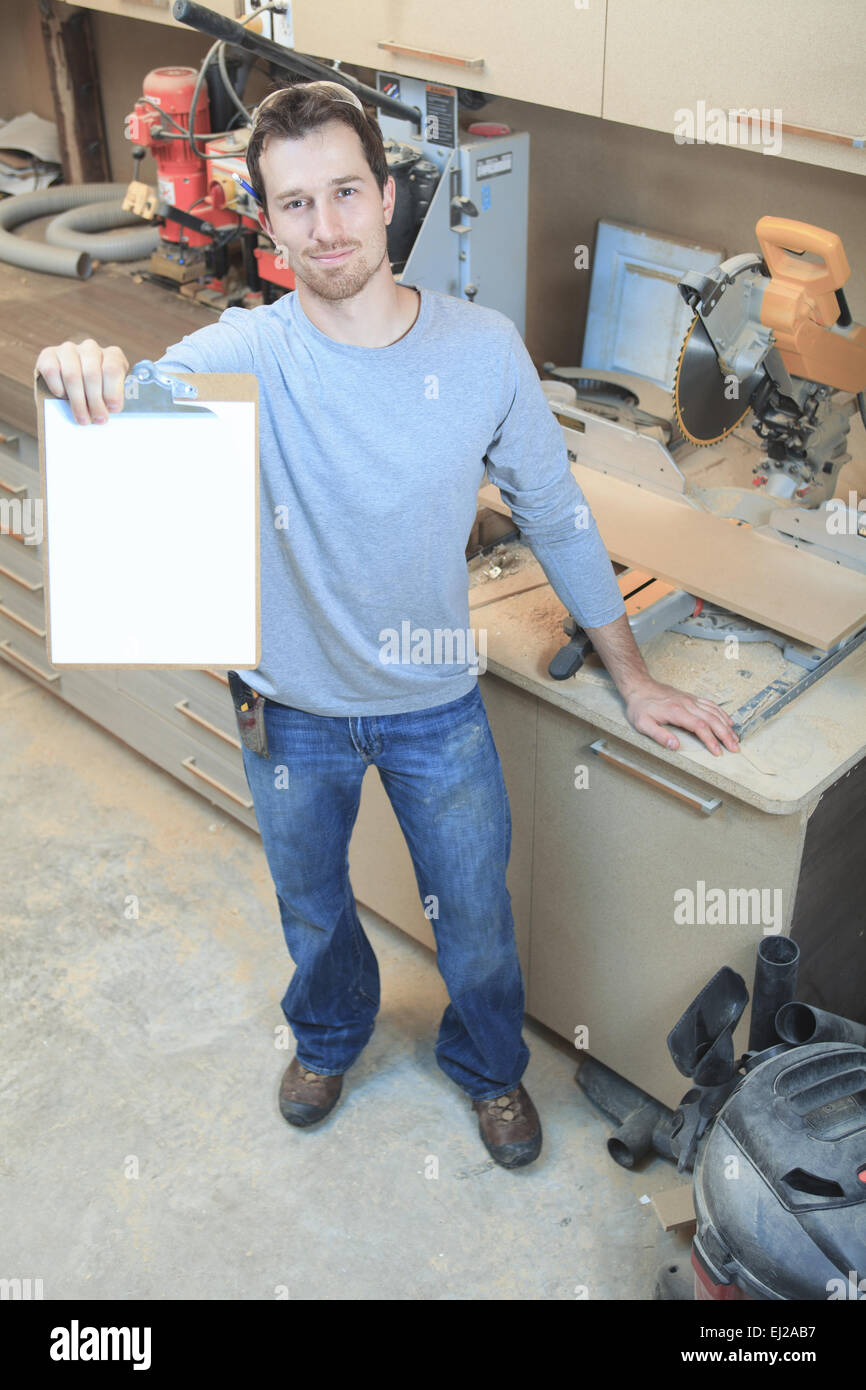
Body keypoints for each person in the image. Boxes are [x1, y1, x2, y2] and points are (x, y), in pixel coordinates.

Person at [34, 81, 739, 1171]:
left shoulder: (481, 352)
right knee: (313, 909)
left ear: (386, 196)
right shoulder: (247, 351)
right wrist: (71, 370)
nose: (326, 227)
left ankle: (487, 1067)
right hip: (290, 709)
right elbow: (126, 398)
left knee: (473, 918)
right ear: (264, 223)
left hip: (433, 707)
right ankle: (327, 1037)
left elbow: (553, 513)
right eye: (296, 203)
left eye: (346, 192)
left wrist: (635, 678)